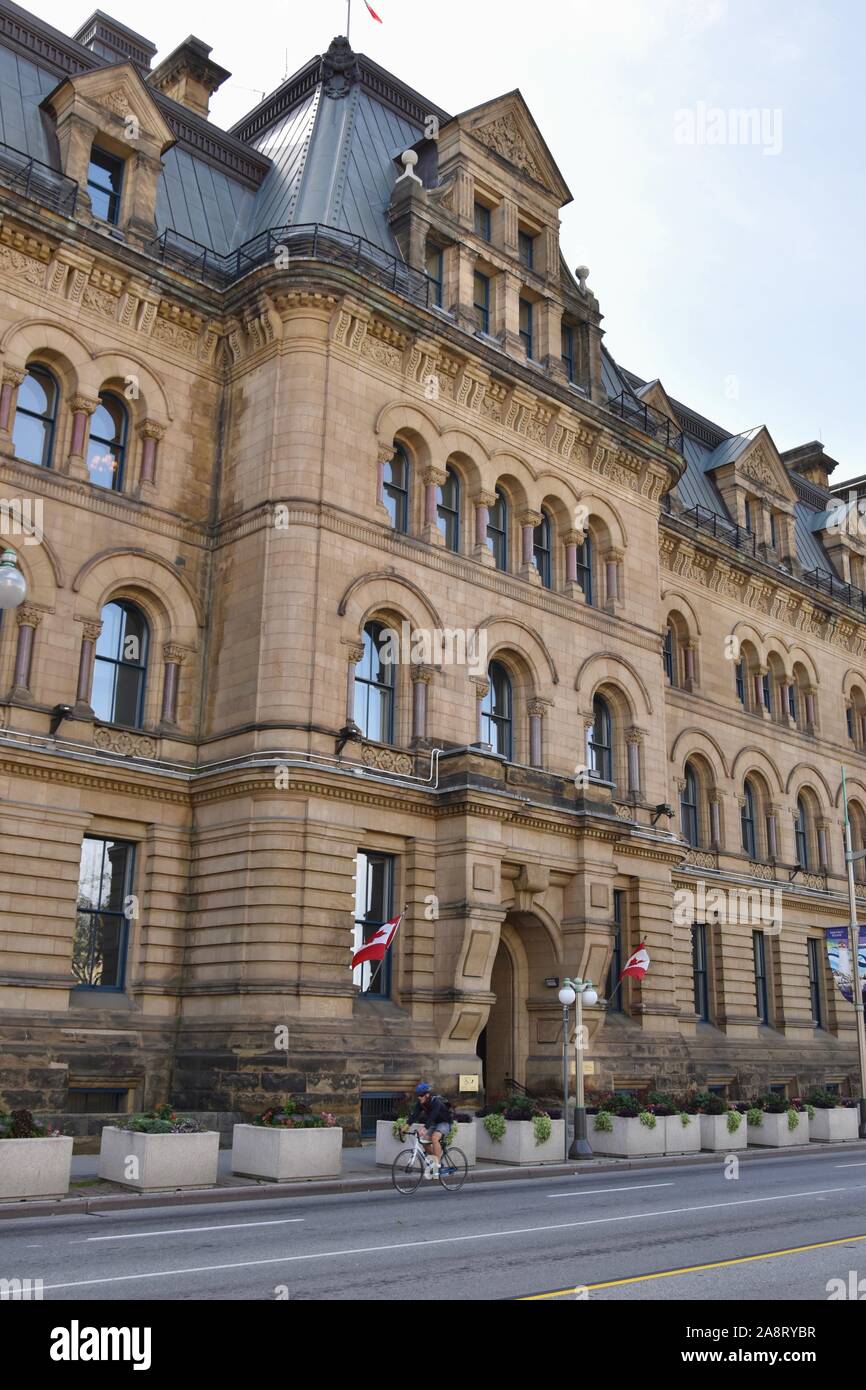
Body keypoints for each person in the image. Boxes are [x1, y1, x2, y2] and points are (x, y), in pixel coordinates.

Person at [403, 1083, 450, 1178]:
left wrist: (425, 1128)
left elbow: (433, 1115)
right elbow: (414, 1115)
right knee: (424, 1141)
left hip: (444, 1122)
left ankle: (437, 1165)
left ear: (427, 1095)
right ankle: (436, 1161)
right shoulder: (421, 1104)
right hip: (434, 1124)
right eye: (417, 1095)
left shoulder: (435, 1102)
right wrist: (405, 1126)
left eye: (421, 1095)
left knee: (434, 1138)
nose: (419, 1097)